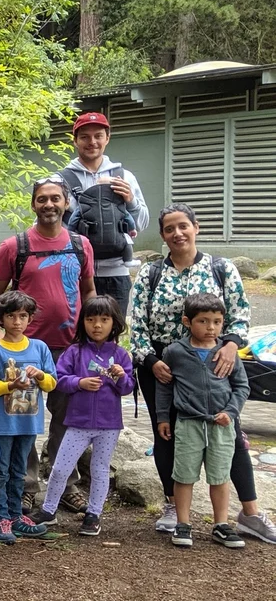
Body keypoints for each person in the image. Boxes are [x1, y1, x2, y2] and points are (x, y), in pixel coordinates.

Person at [128, 203, 271, 541]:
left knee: (230, 433)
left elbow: (239, 314)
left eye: (183, 226)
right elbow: (137, 323)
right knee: (167, 433)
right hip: (162, 367)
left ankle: (250, 513)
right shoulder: (151, 273)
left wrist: (232, 345)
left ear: (196, 227)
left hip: (215, 362)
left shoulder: (221, 268)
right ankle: (172, 507)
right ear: (163, 235)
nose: (177, 233)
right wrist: (151, 361)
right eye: (169, 229)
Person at [0, 175, 96, 509]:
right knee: (22, 420)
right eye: (42, 199)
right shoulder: (14, 247)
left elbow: (89, 292)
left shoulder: (81, 244)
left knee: (68, 420)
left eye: (55, 198)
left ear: (66, 203)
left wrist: (92, 339)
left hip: (69, 348)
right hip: (25, 349)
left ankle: (65, 483)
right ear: (33, 204)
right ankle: (26, 484)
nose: (49, 204)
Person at [33, 297, 134, 537]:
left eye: (104, 320)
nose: (97, 325)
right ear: (83, 323)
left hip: (109, 425)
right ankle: (48, 511)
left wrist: (120, 376)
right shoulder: (74, 351)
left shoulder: (121, 355)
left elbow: (128, 387)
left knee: (100, 470)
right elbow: (59, 379)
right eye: (90, 320)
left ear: (115, 323)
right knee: (60, 468)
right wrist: (80, 382)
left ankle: (93, 514)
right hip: (77, 423)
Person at [157, 293, 250, 550]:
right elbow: (164, 386)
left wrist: (230, 412)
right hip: (188, 424)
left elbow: (242, 387)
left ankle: (221, 525)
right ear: (187, 321)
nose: (211, 328)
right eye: (204, 321)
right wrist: (163, 417)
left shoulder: (227, 352)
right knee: (184, 475)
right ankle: (183, 523)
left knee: (220, 476)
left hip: (221, 426)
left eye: (217, 322)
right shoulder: (175, 351)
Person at [0, 291, 56, 545]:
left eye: (22, 316)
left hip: (28, 422)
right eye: (11, 316)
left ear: (30, 318)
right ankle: (0, 519)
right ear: (1, 319)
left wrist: (40, 376)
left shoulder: (40, 348)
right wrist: (8, 386)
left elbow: (52, 384)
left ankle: (16, 517)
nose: (17, 322)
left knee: (19, 471)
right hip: (1, 424)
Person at [58, 111, 150, 316]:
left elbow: (142, 223)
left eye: (98, 135)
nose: (92, 142)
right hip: (75, 273)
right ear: (75, 141)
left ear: (107, 138)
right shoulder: (59, 181)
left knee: (111, 336)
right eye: (84, 137)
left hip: (116, 272)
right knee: (75, 336)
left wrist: (131, 201)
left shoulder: (124, 177)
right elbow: (52, 227)